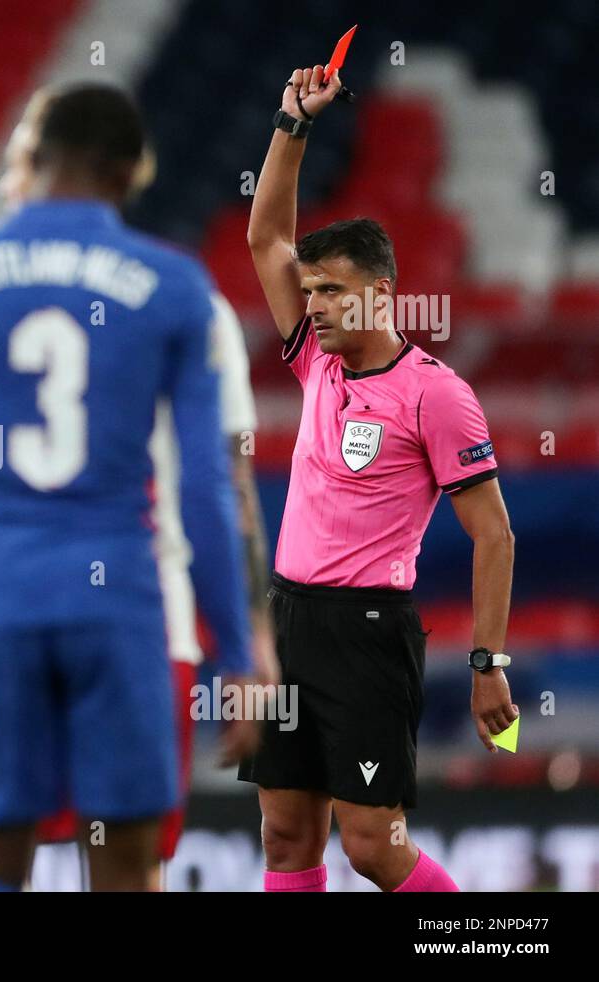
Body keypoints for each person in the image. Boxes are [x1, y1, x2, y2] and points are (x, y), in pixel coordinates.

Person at [0, 82, 256, 892]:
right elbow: (209, 489)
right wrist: (242, 652)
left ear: (30, 160)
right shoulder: (174, 286)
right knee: (125, 870)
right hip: (122, 602)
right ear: (130, 174)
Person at [242, 64, 517, 892]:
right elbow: (266, 240)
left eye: (332, 291)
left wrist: (486, 661)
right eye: (311, 290)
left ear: (382, 295)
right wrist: (293, 123)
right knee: (287, 836)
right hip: (288, 621)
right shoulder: (315, 368)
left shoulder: (436, 396)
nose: (314, 304)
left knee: (372, 845)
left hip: (367, 634)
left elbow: (494, 532)